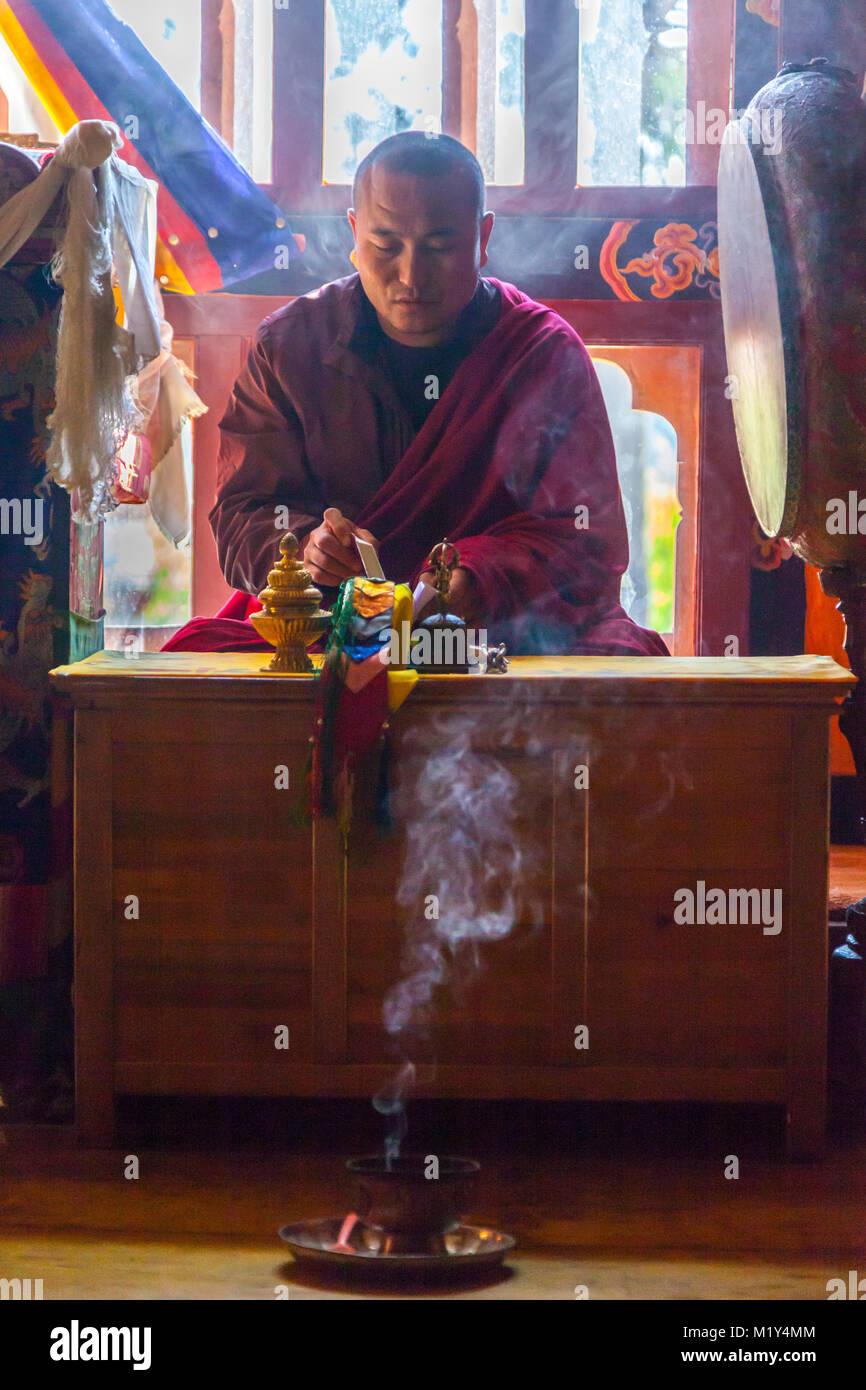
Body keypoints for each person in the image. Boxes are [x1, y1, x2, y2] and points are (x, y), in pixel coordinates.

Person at [163, 131, 668, 656]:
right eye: (386, 245)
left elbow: (586, 545)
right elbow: (242, 513)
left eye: (440, 246)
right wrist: (307, 550)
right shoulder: (292, 347)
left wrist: (481, 576)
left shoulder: (539, 354)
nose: (411, 275)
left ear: (483, 237)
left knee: (624, 663)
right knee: (195, 662)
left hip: (496, 629)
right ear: (354, 233)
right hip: (331, 624)